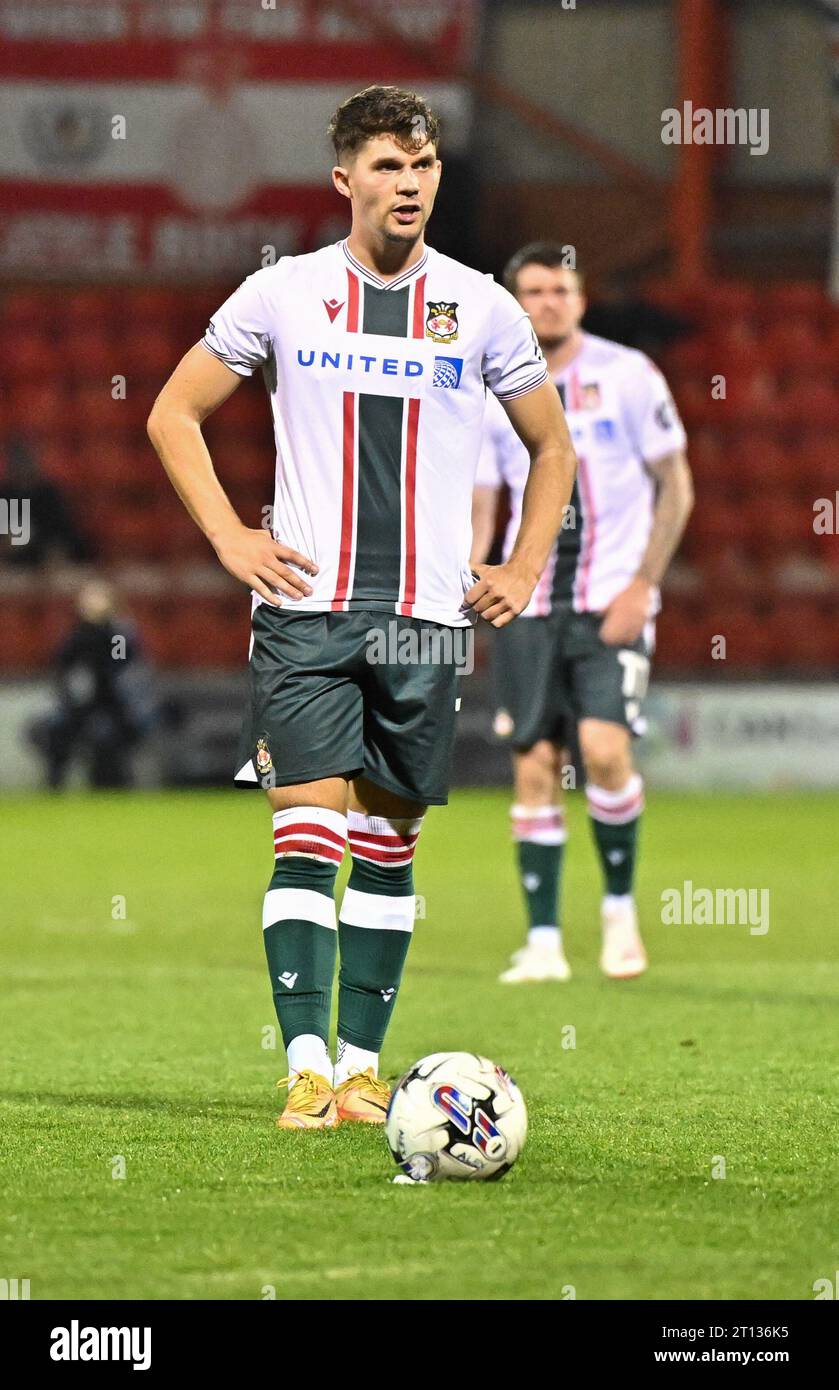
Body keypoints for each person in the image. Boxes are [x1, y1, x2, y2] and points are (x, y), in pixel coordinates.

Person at [147, 88, 577, 1131]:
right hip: (305, 614)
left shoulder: (479, 304)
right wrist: (228, 538)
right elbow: (172, 411)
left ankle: (359, 1070)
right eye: (387, 165)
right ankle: (301, 1068)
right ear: (344, 177)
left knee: (387, 848)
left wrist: (520, 566)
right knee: (307, 835)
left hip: (423, 622)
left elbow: (550, 447)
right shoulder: (282, 293)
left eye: (422, 165)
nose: (409, 184)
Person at [472, 244, 693, 983]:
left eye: (559, 289)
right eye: (531, 291)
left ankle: (619, 915)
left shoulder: (627, 374)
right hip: (527, 602)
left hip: (609, 602)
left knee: (602, 751)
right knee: (534, 764)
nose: (546, 302)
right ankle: (542, 943)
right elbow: (484, 493)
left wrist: (642, 587)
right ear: (514, 302)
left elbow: (675, 487)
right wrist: (478, 566)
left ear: (581, 298)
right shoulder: (490, 383)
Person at [30, 580, 155, 788]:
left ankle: (113, 783)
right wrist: (73, 691)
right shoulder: (77, 633)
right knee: (56, 733)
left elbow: (121, 664)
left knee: (107, 736)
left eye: (98, 597)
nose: (93, 603)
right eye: (89, 598)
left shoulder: (118, 633)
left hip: (114, 703)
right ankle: (54, 784)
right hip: (81, 703)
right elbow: (63, 664)